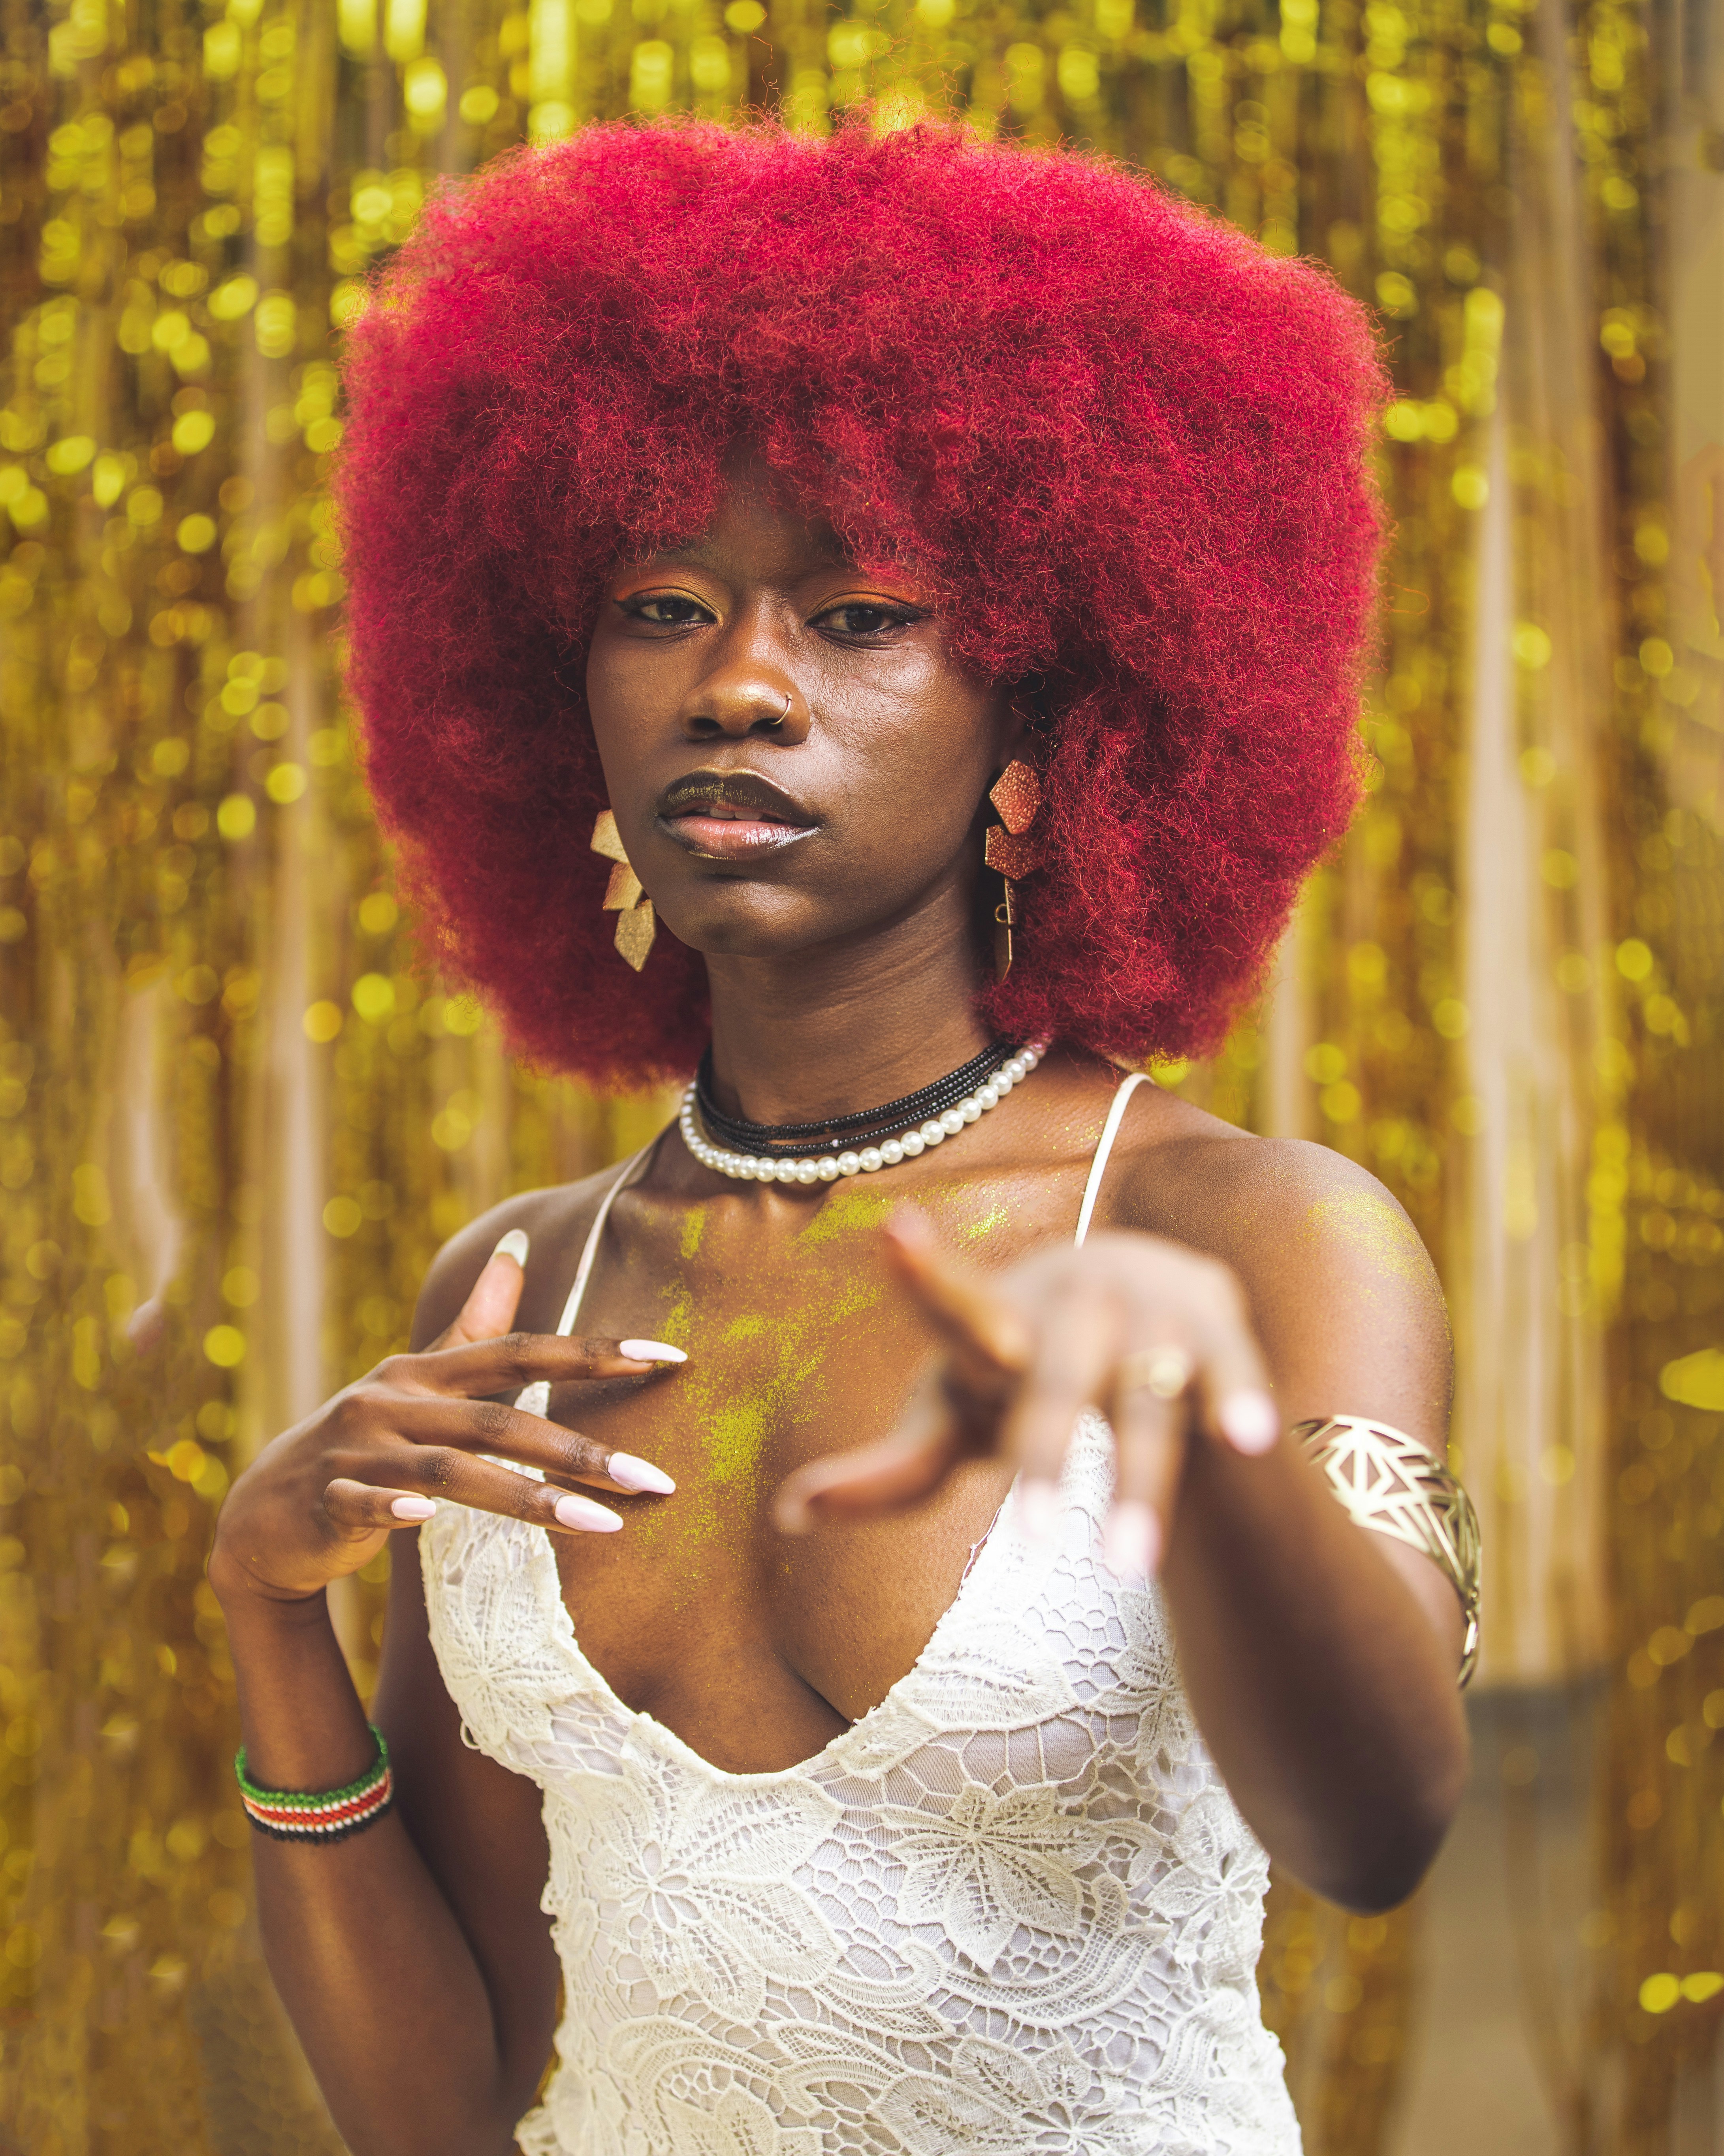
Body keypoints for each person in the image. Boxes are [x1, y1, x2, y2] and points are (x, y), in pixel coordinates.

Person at [209, 119, 1477, 2156]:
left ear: (1046, 723)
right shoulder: (528, 1288)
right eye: (661, 603)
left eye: (864, 612)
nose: (739, 686)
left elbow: (1383, 1826)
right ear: (559, 705)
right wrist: (273, 1621)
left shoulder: (1253, 1235)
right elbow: (438, 2105)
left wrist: (1201, 1431)